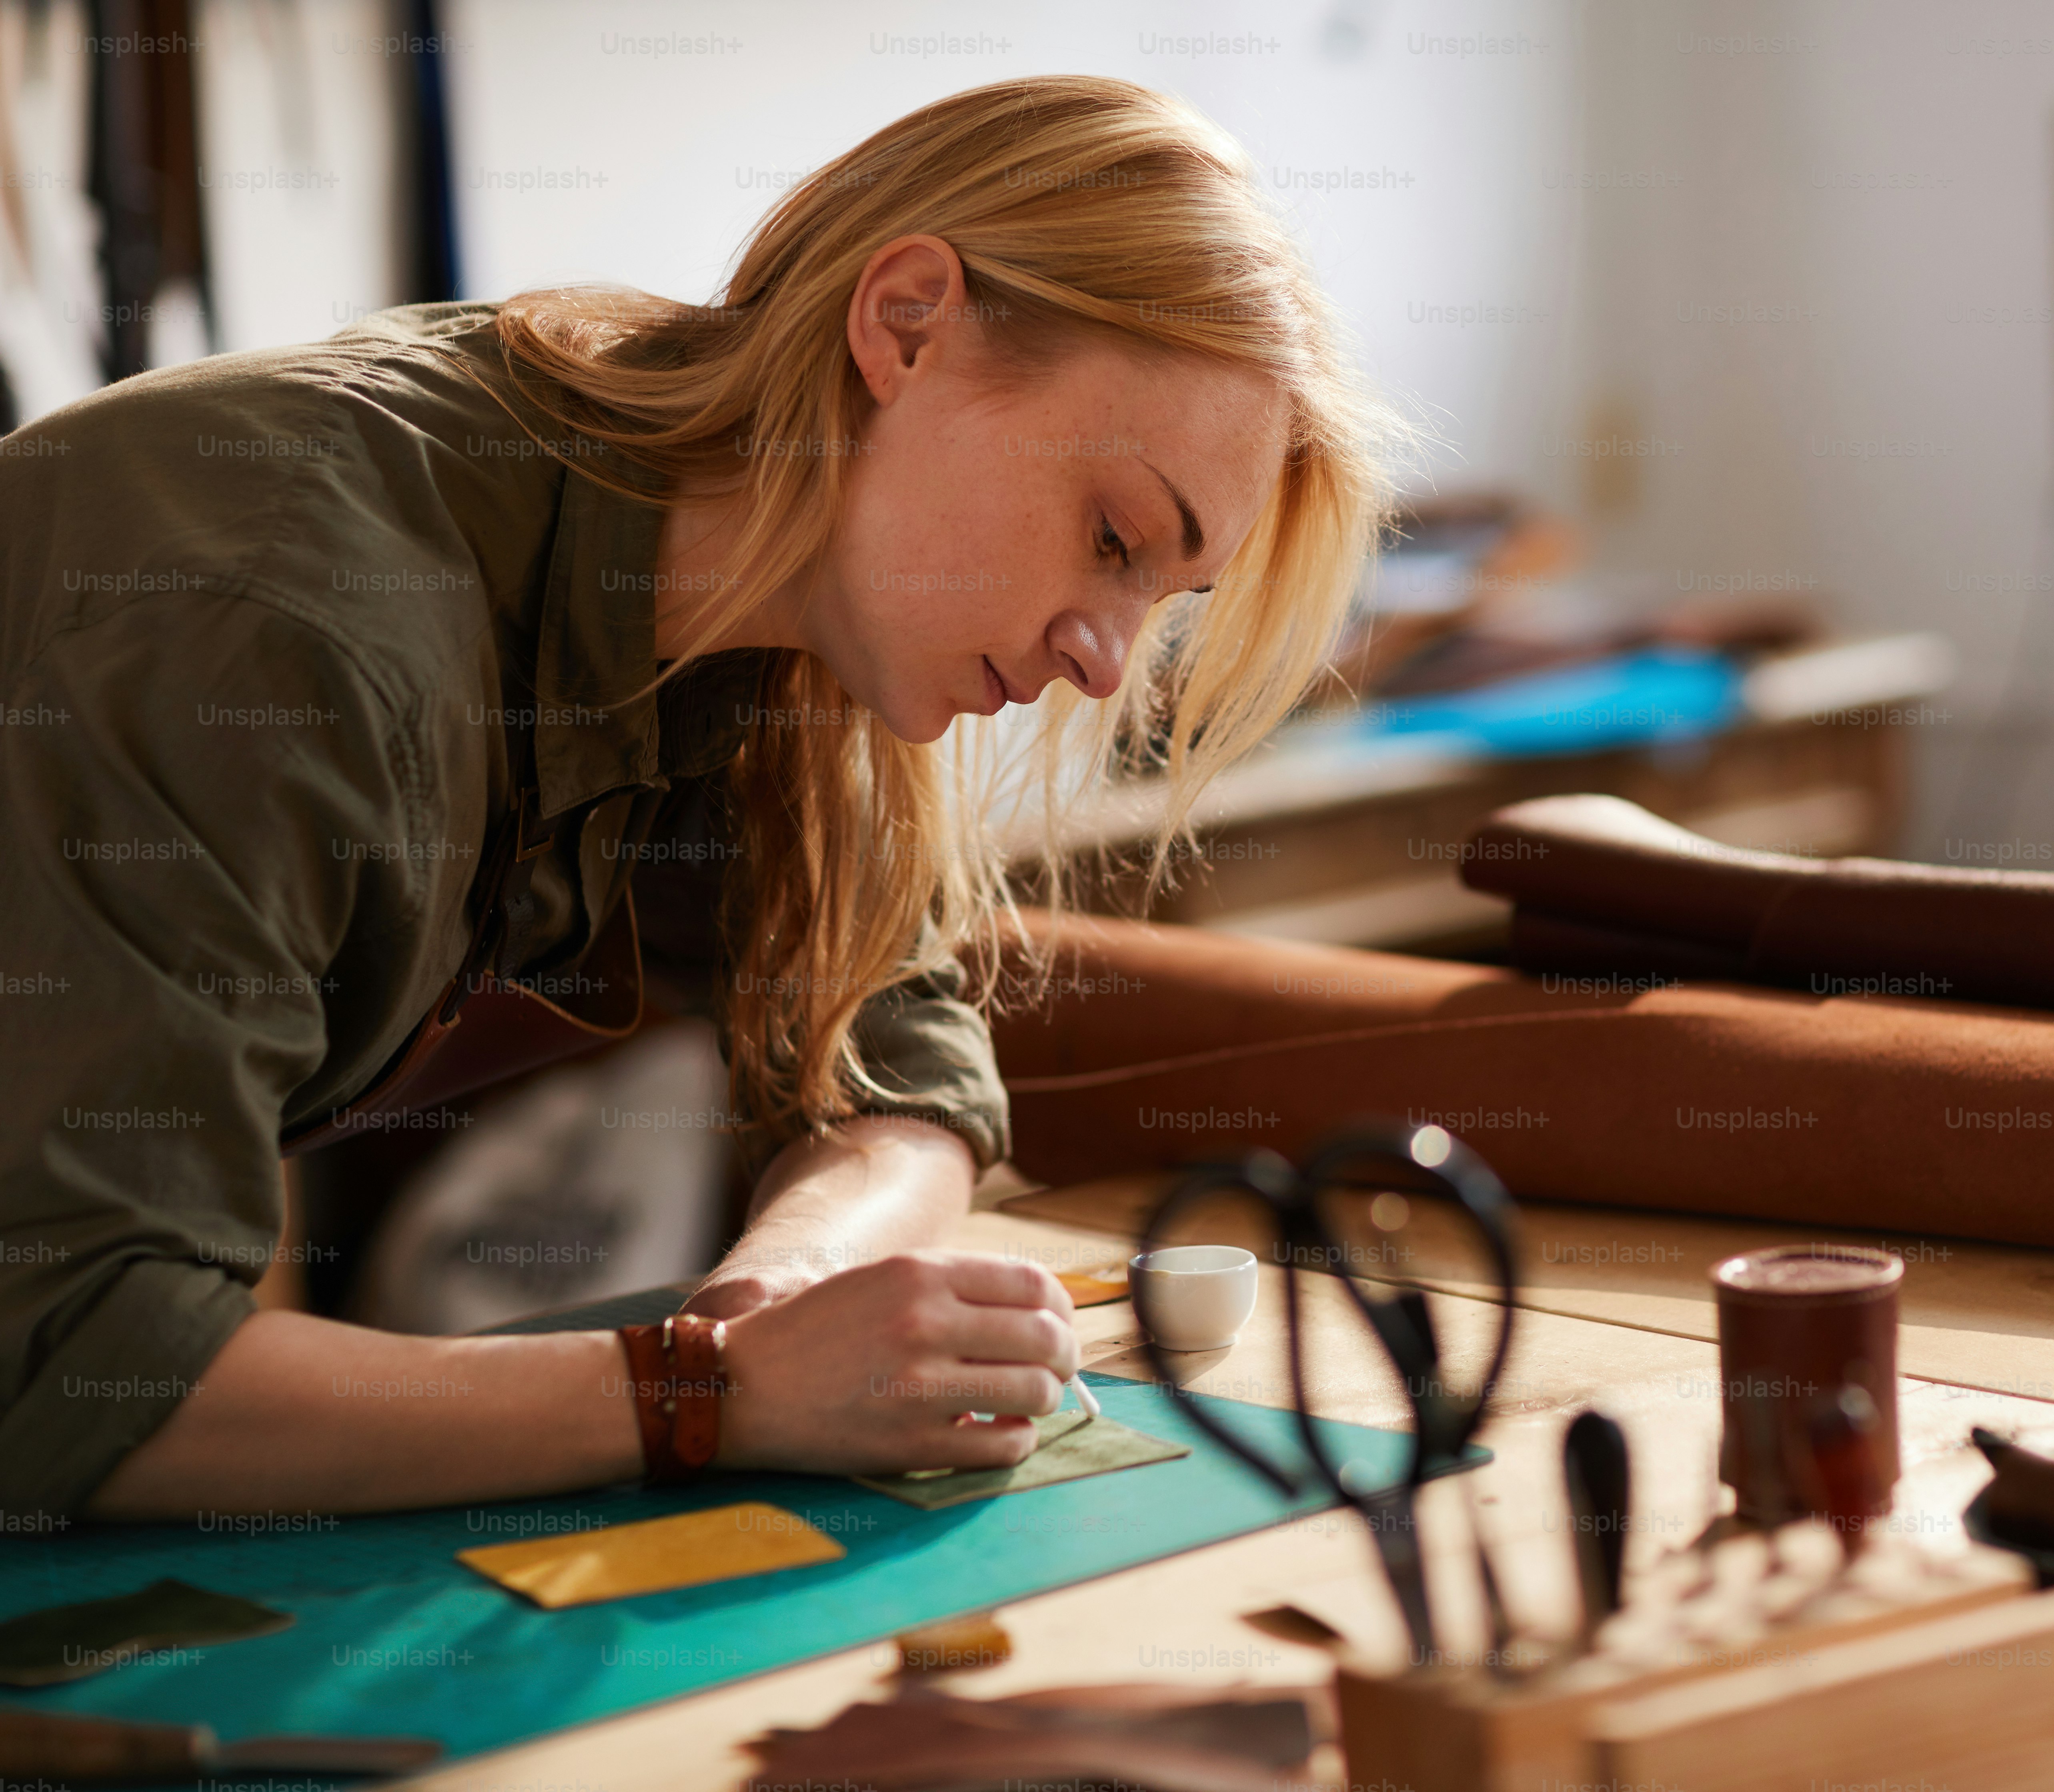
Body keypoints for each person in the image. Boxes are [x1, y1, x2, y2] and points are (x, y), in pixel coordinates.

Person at [0, 75, 1388, 1522]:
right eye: (1112, 535)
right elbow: (71, 1373)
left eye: (1163, 596)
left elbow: (901, 1070)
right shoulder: (278, 626)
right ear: (907, 323)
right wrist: (702, 1395)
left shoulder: (763, 593)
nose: (1107, 666)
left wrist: (782, 1301)